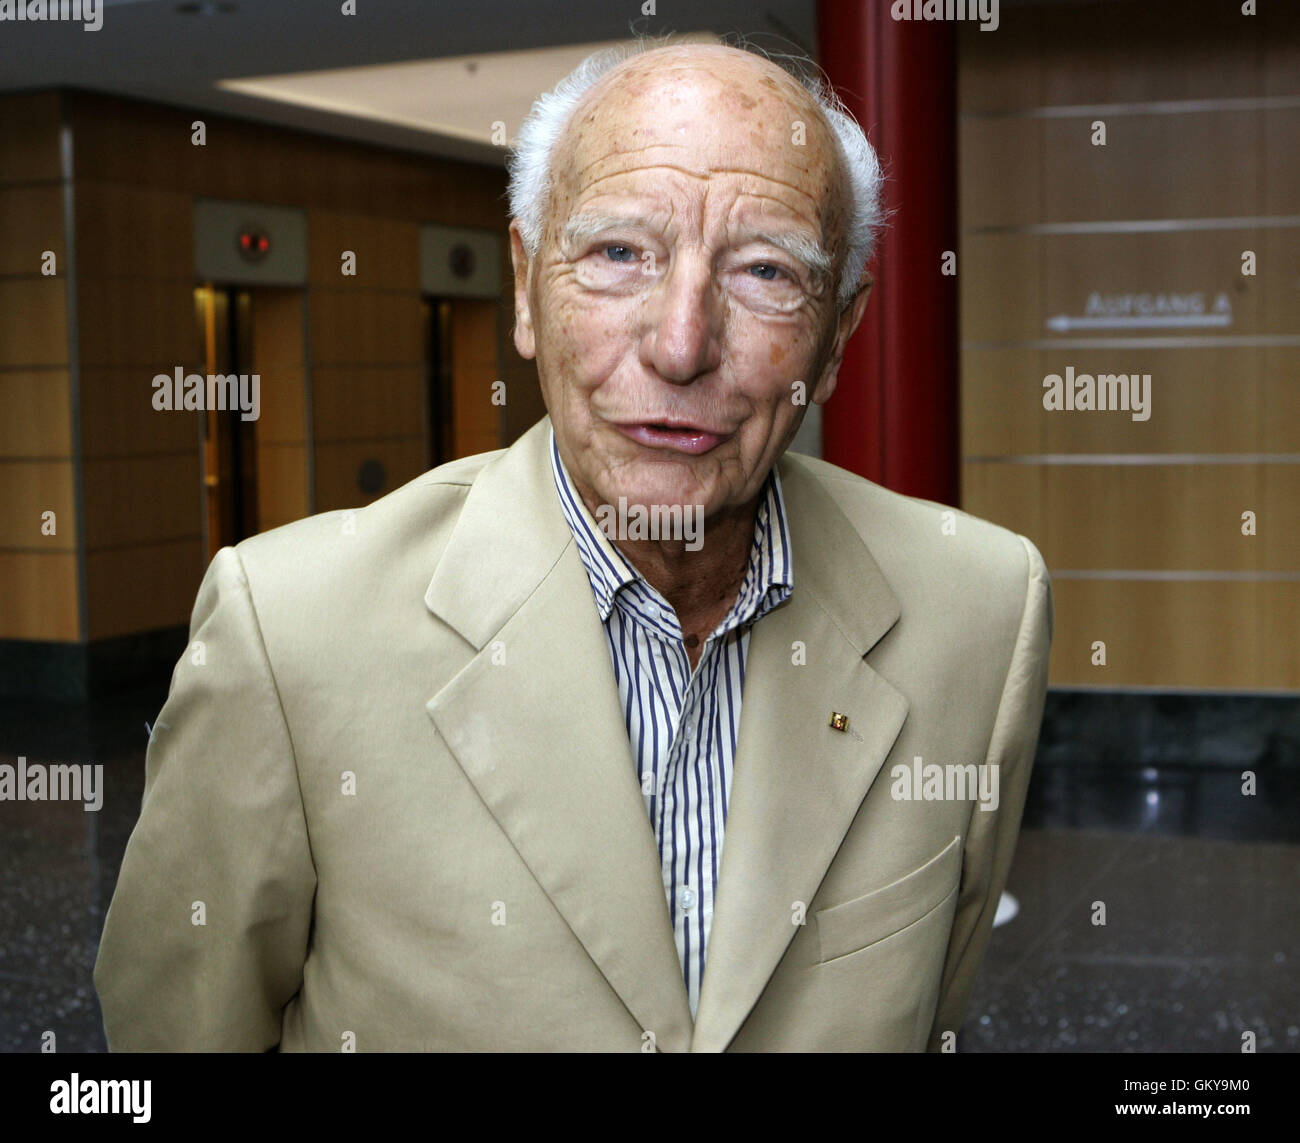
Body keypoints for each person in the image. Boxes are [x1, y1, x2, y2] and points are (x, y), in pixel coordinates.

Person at [94, 39, 1052, 1052]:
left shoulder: (976, 610)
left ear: (839, 333)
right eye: (617, 254)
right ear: (525, 285)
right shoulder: (290, 631)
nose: (680, 344)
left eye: (766, 270)